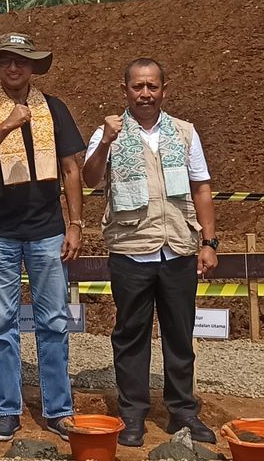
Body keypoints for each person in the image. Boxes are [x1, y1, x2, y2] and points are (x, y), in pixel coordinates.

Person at [81, 58, 218, 447]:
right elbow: (91, 179)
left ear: (163, 90)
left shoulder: (185, 133)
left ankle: (183, 412)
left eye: (152, 87)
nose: (145, 94)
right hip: (131, 250)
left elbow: (201, 188)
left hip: (177, 249)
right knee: (130, 335)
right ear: (125, 90)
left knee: (179, 334)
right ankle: (133, 415)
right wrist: (106, 141)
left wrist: (208, 243)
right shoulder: (108, 132)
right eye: (138, 87)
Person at [0, 32, 84, 441]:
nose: (13, 68)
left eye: (21, 61)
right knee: (2, 323)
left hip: (47, 230)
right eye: (5, 62)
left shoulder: (55, 108)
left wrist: (76, 223)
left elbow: (70, 169)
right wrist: (8, 125)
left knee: (53, 321)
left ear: (33, 67)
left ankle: (59, 410)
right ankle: (8, 409)